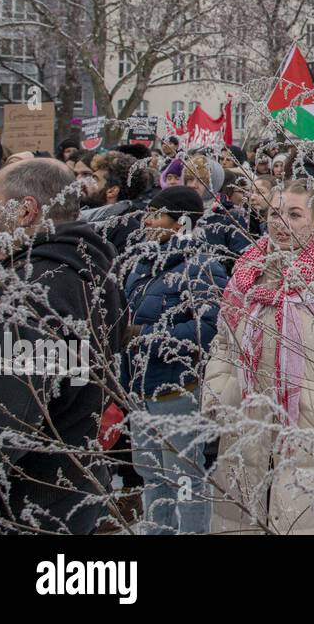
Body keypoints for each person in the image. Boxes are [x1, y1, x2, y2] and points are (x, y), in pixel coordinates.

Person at [203, 180, 314, 534]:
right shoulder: (248, 270)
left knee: (300, 521)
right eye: (274, 213)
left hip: (309, 430)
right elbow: (224, 340)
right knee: (240, 519)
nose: (280, 222)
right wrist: (221, 392)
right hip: (247, 422)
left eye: (294, 214)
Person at [0, 159, 123, 533]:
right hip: (71, 487)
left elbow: (2, 419)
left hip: (27, 503)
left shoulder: (31, 296)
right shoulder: (87, 269)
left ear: (26, 210)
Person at [121, 186, 227, 534]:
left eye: (157, 214)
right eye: (148, 213)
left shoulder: (202, 267)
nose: (147, 221)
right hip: (140, 389)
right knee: (151, 475)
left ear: (181, 221)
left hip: (177, 389)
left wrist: (148, 337)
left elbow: (209, 327)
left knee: (186, 477)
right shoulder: (142, 265)